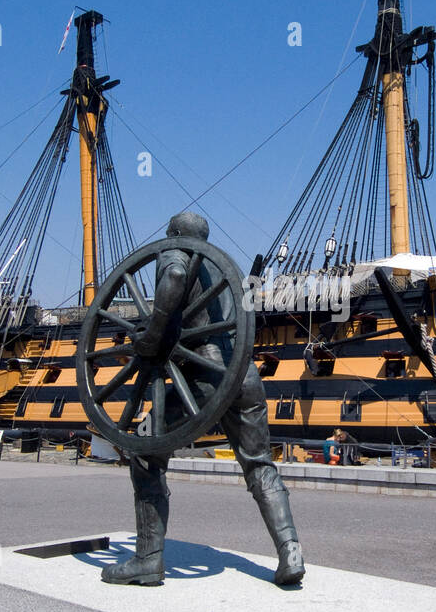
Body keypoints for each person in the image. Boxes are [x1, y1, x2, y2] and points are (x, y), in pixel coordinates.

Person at [102, 211, 305, 588]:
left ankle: (147, 559)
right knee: (260, 464)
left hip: (204, 374)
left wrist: (153, 333)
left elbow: (176, 276)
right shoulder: (224, 268)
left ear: (176, 234)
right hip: (245, 375)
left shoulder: (179, 253)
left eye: (169, 235)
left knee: (146, 454)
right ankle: (290, 550)